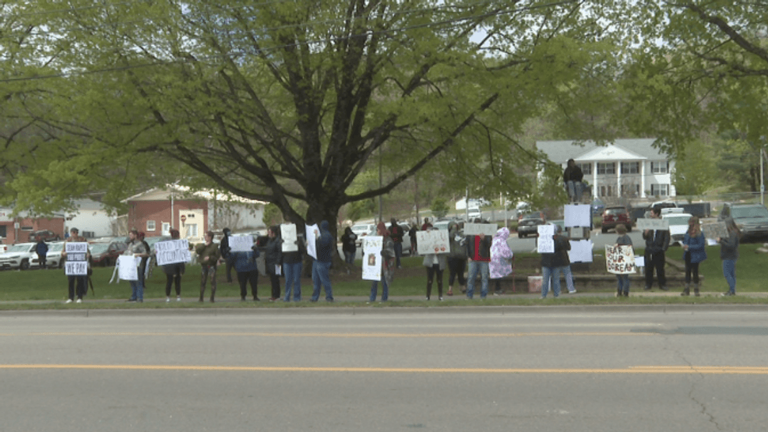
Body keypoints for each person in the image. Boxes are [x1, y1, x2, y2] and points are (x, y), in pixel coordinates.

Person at [642, 208, 670, 291]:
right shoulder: (649, 223)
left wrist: (663, 249)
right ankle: (648, 284)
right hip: (649, 249)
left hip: (658, 249)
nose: (650, 214)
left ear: (657, 214)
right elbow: (644, 237)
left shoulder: (663, 224)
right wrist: (646, 232)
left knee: (660, 268)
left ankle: (662, 284)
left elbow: (667, 237)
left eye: (652, 213)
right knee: (648, 268)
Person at [541, 225, 570, 299]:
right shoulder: (543, 239)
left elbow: (566, 247)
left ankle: (556, 294)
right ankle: (543, 295)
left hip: (555, 262)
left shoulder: (560, 239)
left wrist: (557, 240)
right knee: (545, 280)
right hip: (546, 262)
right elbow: (539, 247)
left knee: (555, 279)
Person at [62, 227, 90, 304]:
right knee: (71, 281)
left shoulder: (82, 240)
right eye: (73, 232)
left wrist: (87, 254)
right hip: (71, 264)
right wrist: (64, 254)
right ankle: (71, 297)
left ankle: (79, 296)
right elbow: (63, 251)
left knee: (80, 280)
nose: (74, 234)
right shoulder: (67, 241)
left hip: (80, 264)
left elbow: (86, 250)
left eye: (76, 232)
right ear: (71, 233)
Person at [681, 216, 707, 297]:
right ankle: (686, 289)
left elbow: (701, 245)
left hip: (695, 255)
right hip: (688, 254)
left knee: (695, 272)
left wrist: (690, 247)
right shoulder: (688, 232)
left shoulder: (699, 233)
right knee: (687, 272)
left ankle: (696, 289)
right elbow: (685, 240)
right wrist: (684, 245)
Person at [465, 221, 492, 299]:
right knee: (471, 278)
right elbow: (467, 245)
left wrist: (484, 239)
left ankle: (483, 295)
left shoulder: (487, 234)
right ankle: (469, 295)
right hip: (473, 259)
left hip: (484, 259)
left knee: (484, 278)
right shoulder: (470, 235)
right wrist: (468, 256)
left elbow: (489, 244)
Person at [369, 222, 395, 302]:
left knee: (384, 283)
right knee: (374, 283)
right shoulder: (375, 239)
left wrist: (383, 252)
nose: (377, 231)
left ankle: (384, 299)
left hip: (384, 266)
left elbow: (391, 253)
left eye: (378, 230)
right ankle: (372, 299)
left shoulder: (387, 240)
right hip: (376, 265)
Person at [310, 220, 334, 302]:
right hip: (317, 260)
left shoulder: (326, 235)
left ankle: (329, 296)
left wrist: (317, 239)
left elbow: (323, 244)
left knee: (324, 280)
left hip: (323, 261)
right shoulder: (323, 235)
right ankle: (315, 297)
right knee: (316, 280)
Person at [282, 221, 306, 302]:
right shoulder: (282, 238)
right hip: (286, 261)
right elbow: (279, 251)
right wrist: (281, 244)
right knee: (288, 280)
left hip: (296, 261)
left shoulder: (298, 238)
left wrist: (298, 245)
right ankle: (287, 296)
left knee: (296, 279)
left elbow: (303, 250)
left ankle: (297, 297)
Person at [195, 231, 221, 302]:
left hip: (211, 266)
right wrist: (204, 245)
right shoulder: (203, 246)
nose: (205, 237)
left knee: (212, 281)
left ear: (210, 237)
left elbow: (217, 257)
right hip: (204, 265)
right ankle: (201, 298)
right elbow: (197, 251)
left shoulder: (214, 246)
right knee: (203, 282)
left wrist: (210, 257)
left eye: (206, 236)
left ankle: (212, 298)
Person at [160, 229, 184, 302]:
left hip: (173, 266)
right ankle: (176, 296)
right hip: (172, 265)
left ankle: (170, 296)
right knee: (174, 282)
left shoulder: (177, 243)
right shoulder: (171, 243)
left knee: (171, 281)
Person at [124, 229, 148, 303]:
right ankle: (133, 296)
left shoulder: (140, 244)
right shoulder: (130, 244)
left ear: (135, 235)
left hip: (138, 266)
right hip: (131, 266)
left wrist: (137, 255)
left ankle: (139, 297)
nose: (130, 236)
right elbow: (127, 253)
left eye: (131, 235)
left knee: (138, 281)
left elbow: (145, 253)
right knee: (132, 281)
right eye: (129, 235)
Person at [718, 218, 740, 296]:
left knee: (727, 273)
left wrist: (721, 241)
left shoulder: (732, 234)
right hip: (730, 256)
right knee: (731, 274)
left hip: (729, 256)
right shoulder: (731, 233)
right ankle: (732, 290)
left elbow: (731, 245)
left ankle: (732, 290)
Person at [489, 227, 514, 296]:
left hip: (492, 259)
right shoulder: (502, 241)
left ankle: (497, 289)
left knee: (496, 275)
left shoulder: (494, 239)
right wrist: (510, 255)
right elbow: (505, 251)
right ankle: (497, 289)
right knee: (500, 275)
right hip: (499, 259)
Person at [446, 221, 467, 296]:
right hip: (452, 257)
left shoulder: (461, 234)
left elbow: (465, 242)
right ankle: (450, 289)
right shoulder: (450, 235)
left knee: (460, 273)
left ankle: (463, 287)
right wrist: (453, 229)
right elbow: (450, 237)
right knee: (452, 273)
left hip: (461, 257)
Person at [614, 224, 633, 297]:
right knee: (619, 277)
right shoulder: (619, 238)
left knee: (625, 277)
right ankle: (619, 290)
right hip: (619, 261)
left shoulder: (626, 238)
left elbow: (629, 248)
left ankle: (625, 291)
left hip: (625, 260)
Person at [265, 225, 283, 301]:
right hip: (269, 262)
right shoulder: (270, 241)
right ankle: (274, 294)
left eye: (269, 232)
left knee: (275, 280)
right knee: (272, 279)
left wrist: (278, 262)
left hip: (275, 263)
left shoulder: (277, 241)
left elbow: (279, 252)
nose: (268, 233)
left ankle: (276, 295)